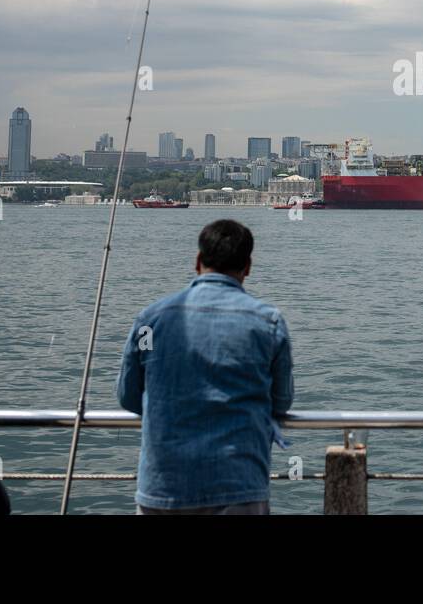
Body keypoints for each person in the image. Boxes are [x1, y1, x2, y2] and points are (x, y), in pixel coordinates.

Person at [117, 219, 293, 514]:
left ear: (197, 261)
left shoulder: (150, 321)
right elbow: (281, 401)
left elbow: (129, 397)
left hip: (163, 488)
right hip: (239, 486)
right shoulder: (268, 323)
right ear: (247, 267)